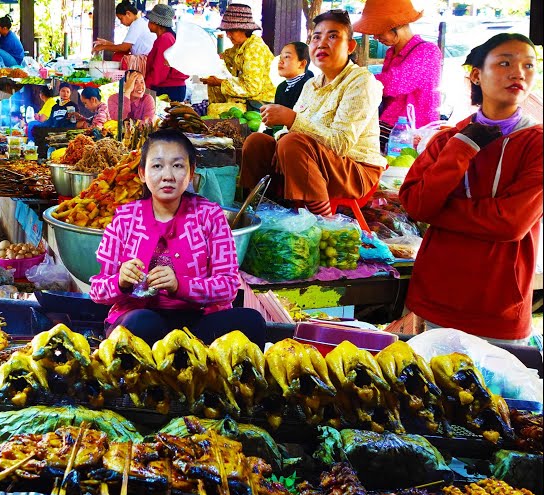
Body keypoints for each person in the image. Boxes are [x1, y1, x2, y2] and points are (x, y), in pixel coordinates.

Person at [401, 34, 541, 343]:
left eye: (528, 65)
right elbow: (416, 205)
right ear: (476, 74)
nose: (518, 72)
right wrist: (463, 145)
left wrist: (439, 213)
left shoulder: (537, 144)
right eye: (505, 62)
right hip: (432, 301)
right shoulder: (447, 140)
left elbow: (510, 222)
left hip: (498, 309)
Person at [90, 129, 264, 345]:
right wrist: (120, 281)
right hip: (140, 320)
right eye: (157, 166)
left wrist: (180, 285)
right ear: (143, 174)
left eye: (178, 165)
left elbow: (228, 288)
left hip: (198, 323)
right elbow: (97, 291)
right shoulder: (125, 218)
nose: (168, 176)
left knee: (251, 321)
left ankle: (187, 354)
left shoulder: (210, 215)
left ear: (191, 173)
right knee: (142, 323)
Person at [242, 10, 386, 216]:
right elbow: (287, 131)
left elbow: (341, 143)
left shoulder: (362, 82)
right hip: (314, 165)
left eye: (333, 36)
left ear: (350, 46)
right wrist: (283, 134)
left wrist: (291, 121)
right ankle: (264, 213)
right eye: (316, 37)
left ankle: (322, 222)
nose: (322, 43)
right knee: (256, 142)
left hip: (356, 170)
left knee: (292, 142)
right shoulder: (311, 84)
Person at [353, 0, 441, 130]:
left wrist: (356, 78)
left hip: (416, 131)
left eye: (379, 31)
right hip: (389, 125)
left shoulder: (427, 51)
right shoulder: (391, 53)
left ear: (396, 26)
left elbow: (394, 83)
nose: (376, 37)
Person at [203, 4, 275, 110]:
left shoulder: (254, 49)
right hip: (249, 100)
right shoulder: (241, 46)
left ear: (244, 30)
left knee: (214, 110)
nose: (228, 35)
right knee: (214, 89)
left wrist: (220, 82)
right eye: (227, 31)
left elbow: (251, 88)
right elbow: (227, 56)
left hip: (259, 103)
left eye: (231, 31)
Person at [92, 1, 155, 74]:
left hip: (146, 60)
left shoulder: (136, 24)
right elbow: (125, 48)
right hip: (148, 58)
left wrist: (103, 47)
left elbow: (124, 48)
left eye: (121, 18)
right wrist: (107, 43)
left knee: (119, 57)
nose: (121, 22)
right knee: (118, 55)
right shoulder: (141, 22)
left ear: (128, 14)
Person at [144, 4, 188, 102]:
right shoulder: (168, 37)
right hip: (173, 88)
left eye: (150, 21)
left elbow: (160, 70)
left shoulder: (165, 39)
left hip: (168, 89)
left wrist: (147, 88)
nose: (148, 24)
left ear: (156, 22)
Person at [273, 42, 313, 109]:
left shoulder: (309, 88)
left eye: (287, 57)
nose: (280, 61)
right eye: (280, 57)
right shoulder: (281, 87)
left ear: (302, 64)